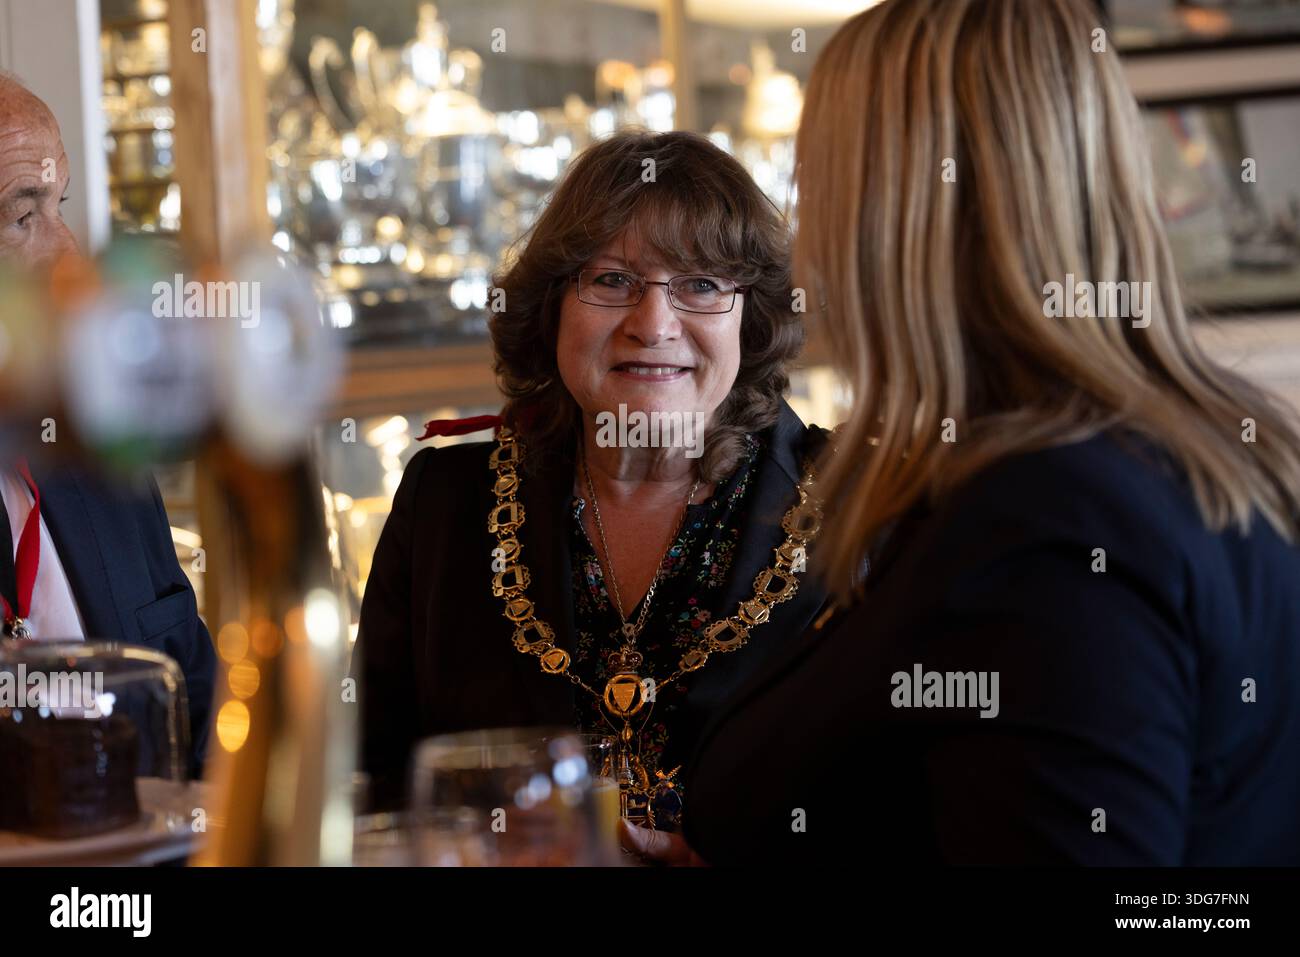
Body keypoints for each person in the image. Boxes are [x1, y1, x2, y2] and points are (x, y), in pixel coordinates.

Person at [683, 0, 1300, 865]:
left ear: (888, 215)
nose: (802, 229)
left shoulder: (1047, 521)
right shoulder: (1199, 448)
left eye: (811, 180)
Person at [355, 130, 830, 862]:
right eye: (612, 280)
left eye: (701, 284)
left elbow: (917, 816)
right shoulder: (442, 504)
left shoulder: (855, 509)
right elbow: (371, 791)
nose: (653, 323)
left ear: (752, 318)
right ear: (552, 309)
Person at [0, 71, 214, 774]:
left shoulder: (97, 458)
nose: (66, 253)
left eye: (58, 206)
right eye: (20, 215)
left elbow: (200, 708)